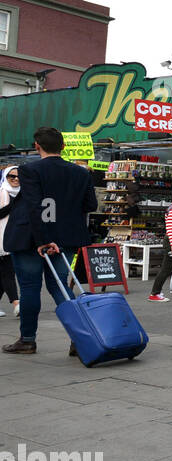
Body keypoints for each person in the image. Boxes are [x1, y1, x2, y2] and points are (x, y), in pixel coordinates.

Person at [2, 128, 98, 355]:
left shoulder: (29, 170)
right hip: (67, 238)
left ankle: (27, 339)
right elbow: (90, 205)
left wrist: (43, 239)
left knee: (29, 287)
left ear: (37, 146)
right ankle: (79, 338)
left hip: (31, 239)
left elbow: (35, 206)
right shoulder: (81, 173)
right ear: (63, 147)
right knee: (60, 285)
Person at [0, 166, 22, 316]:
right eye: (11, 176)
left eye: (18, 176)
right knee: (8, 271)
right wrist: (13, 205)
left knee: (3, 273)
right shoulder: (2, 192)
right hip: (2, 237)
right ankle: (16, 303)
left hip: (17, 236)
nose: (15, 179)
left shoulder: (25, 192)